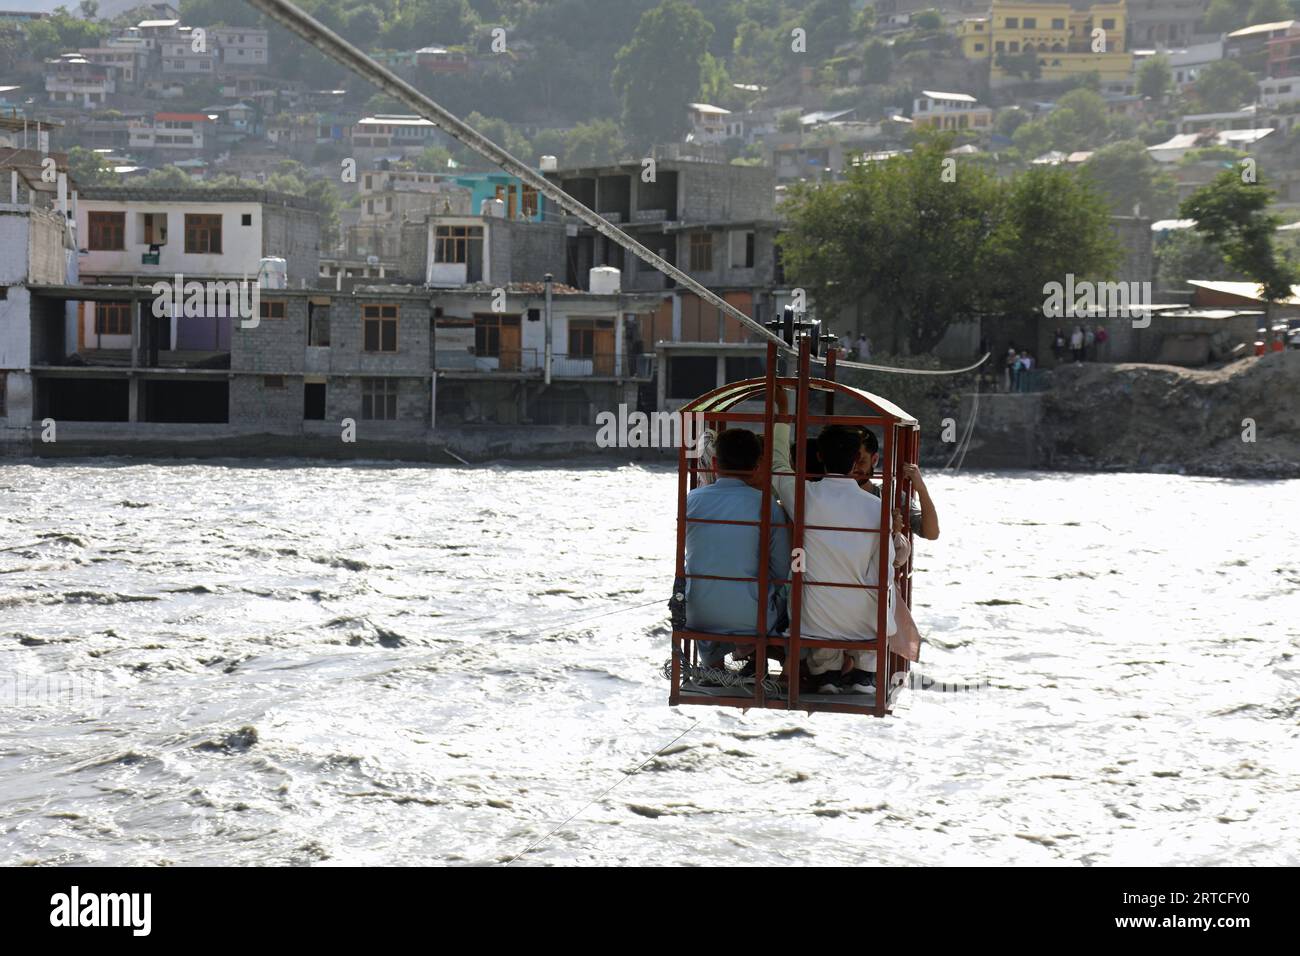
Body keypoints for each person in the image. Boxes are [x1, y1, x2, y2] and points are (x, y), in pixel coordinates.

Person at [771, 387, 895, 695]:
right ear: (857, 460)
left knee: (811, 591)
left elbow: (777, 466)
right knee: (876, 586)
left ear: (819, 456)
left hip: (814, 625)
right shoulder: (877, 508)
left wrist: (783, 414)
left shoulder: (804, 496)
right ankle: (866, 670)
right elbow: (886, 570)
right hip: (867, 624)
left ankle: (824, 670)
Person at [684, 428, 791, 676]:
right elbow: (782, 569)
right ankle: (773, 659)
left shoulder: (691, 500)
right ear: (757, 466)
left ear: (713, 463)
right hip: (753, 620)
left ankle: (713, 664)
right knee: (783, 591)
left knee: (702, 582)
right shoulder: (767, 505)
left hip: (697, 617)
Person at [852, 430, 940, 541]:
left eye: (861, 461)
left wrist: (921, 489)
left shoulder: (891, 495)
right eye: (850, 462)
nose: (854, 468)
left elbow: (931, 533)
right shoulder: (830, 495)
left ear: (874, 460)